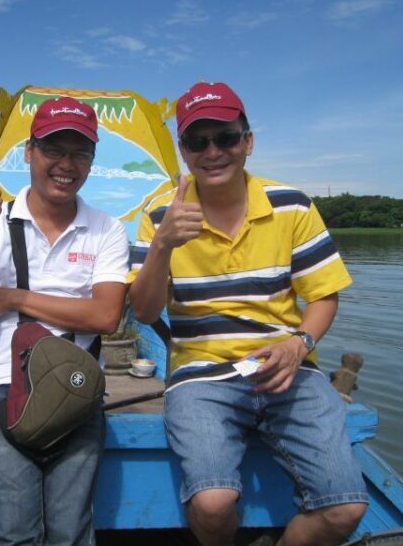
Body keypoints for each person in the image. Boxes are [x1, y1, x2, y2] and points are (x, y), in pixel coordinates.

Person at [127, 81, 368, 545]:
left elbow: (323, 295)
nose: (213, 151)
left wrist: (300, 344)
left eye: (226, 137)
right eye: (198, 141)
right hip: (201, 375)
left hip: (286, 366)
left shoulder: (291, 205)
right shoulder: (161, 214)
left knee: (345, 507)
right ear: (184, 150)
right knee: (212, 502)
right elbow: (143, 309)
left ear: (248, 141)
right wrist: (162, 246)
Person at [0, 96, 129, 545]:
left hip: (76, 383)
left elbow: (106, 315)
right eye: (54, 149)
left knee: (71, 533)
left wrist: (13, 297)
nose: (66, 164)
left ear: (91, 161)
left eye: (80, 152)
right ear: (29, 152)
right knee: (12, 534)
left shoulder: (107, 228)